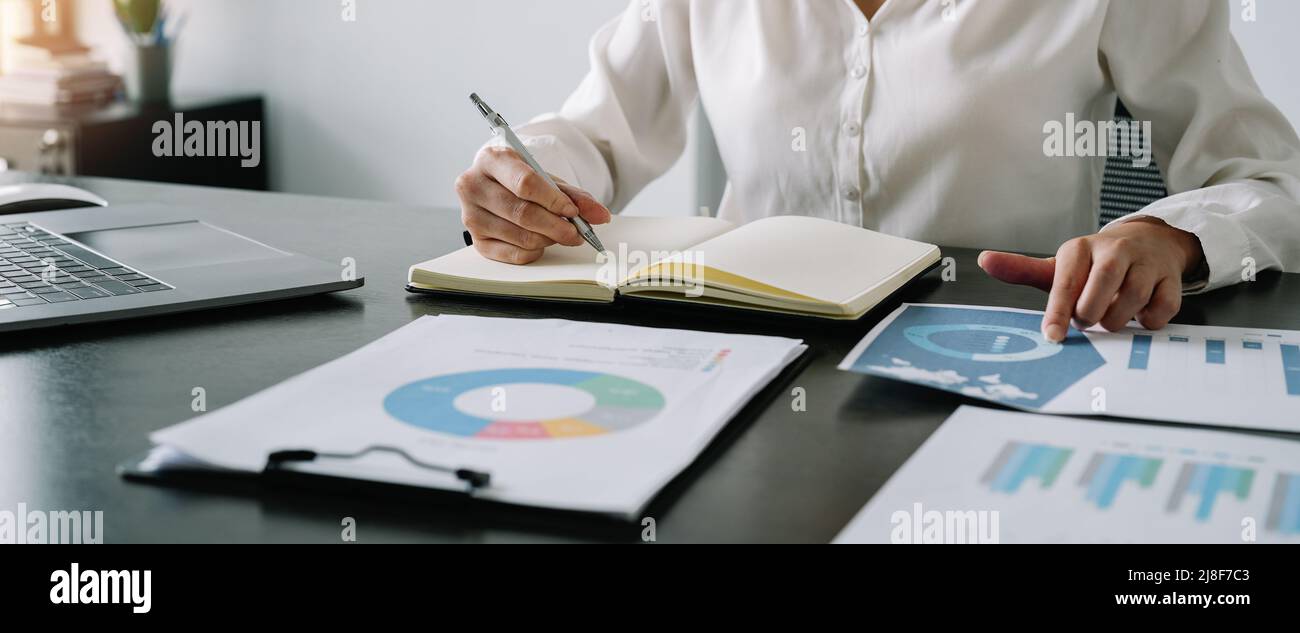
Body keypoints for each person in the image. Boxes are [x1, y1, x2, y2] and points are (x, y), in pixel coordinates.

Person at [453, 0, 1300, 342]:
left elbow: (1269, 179)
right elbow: (590, 137)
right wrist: (518, 183)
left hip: (1009, 357)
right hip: (744, 356)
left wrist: (1167, 234)